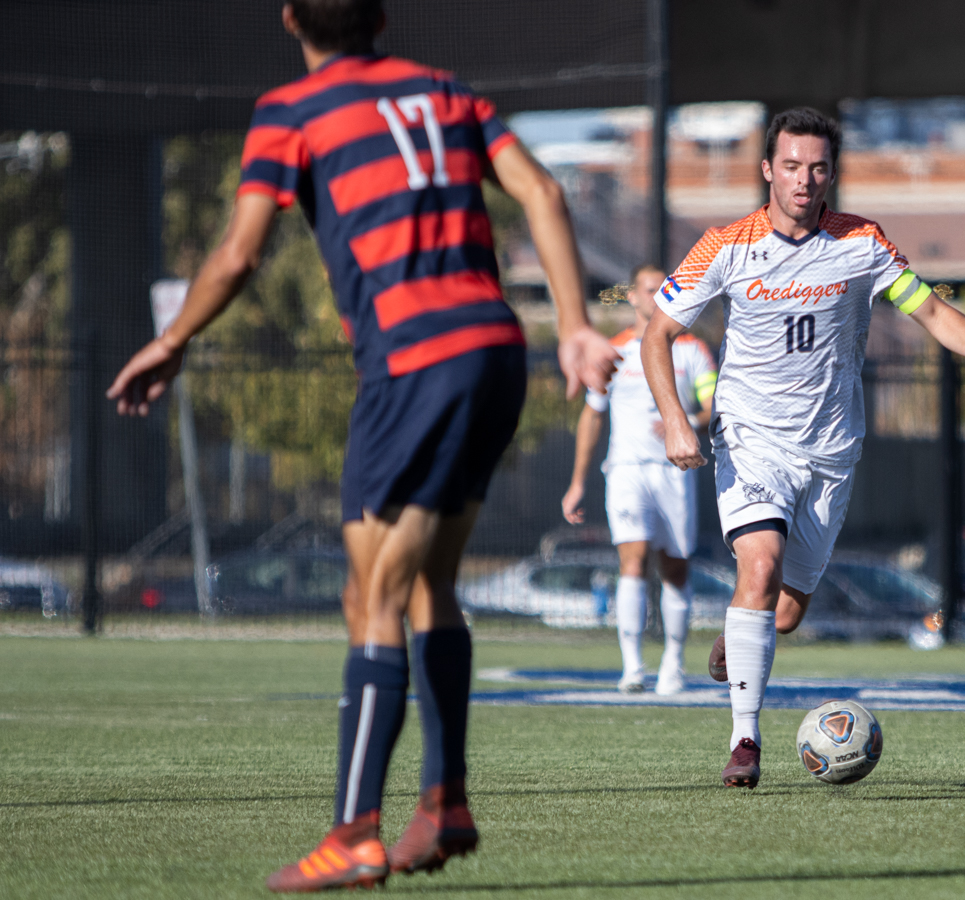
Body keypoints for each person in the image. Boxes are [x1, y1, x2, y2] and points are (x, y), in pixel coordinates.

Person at [105, 0, 619, 890]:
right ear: (382, 16)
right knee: (426, 586)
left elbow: (236, 258)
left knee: (369, 595)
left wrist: (171, 340)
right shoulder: (445, 91)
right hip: (494, 348)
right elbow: (542, 190)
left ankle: (352, 834)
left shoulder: (290, 113)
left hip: (414, 363)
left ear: (289, 16)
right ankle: (445, 801)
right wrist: (572, 324)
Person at [641, 107, 965, 788]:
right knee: (759, 569)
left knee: (785, 611)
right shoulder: (725, 245)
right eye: (791, 165)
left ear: (831, 173)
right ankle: (744, 741)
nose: (804, 178)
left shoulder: (862, 242)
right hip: (750, 440)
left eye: (818, 167)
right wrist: (676, 417)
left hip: (830, 451)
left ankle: (739, 634)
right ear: (768, 169)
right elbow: (655, 335)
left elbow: (932, 310)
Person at [563, 263, 718, 696]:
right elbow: (592, 416)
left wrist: (683, 420)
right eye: (650, 289)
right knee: (631, 561)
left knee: (675, 566)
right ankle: (632, 667)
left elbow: (712, 405)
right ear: (631, 296)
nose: (657, 297)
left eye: (665, 289)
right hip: (627, 470)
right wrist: (577, 483)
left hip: (676, 471)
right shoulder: (611, 351)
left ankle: (673, 661)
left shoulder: (691, 349)